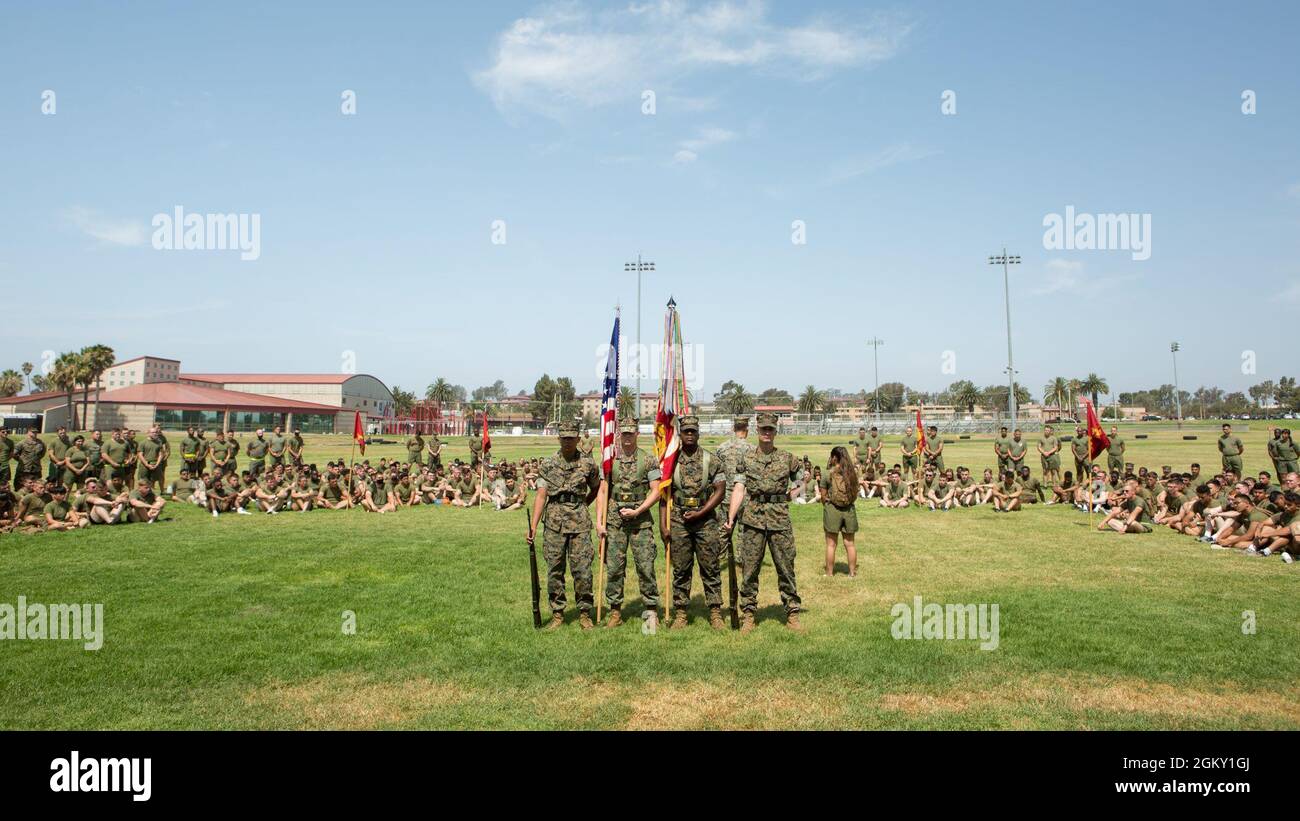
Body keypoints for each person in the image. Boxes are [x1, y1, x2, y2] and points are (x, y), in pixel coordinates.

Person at [722, 411, 804, 633]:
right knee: (749, 570)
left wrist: (791, 494)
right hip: (753, 520)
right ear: (757, 431)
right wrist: (730, 517)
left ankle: (793, 613)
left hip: (779, 520)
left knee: (786, 568)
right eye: (763, 429)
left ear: (775, 431)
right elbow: (739, 488)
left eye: (771, 429)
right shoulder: (746, 458)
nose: (767, 433)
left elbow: (801, 480)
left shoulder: (787, 458)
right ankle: (748, 614)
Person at [528, 420, 603, 631]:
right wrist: (533, 526)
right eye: (564, 438)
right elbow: (541, 496)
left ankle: (585, 613)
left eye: (572, 438)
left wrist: (583, 504)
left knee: (583, 570)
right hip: (554, 524)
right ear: (558, 439)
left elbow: (597, 489)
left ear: (578, 439)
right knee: (555, 570)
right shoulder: (548, 464)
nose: (568, 441)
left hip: (579, 524)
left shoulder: (588, 464)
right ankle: (558, 614)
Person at [661, 415, 727, 629]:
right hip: (678, 520)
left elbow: (720, 491)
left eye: (693, 431)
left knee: (710, 567)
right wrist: (663, 525)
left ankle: (715, 612)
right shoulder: (671, 460)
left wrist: (701, 512)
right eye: (686, 431)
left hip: (705, 520)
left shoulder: (711, 459)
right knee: (681, 568)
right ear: (680, 433)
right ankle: (681, 613)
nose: (689, 435)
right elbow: (664, 494)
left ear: (698, 434)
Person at [600, 419, 662, 628]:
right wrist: (600, 522)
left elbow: (656, 490)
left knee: (645, 567)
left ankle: (651, 611)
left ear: (637, 434)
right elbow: (603, 491)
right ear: (618, 435)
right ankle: (615, 611)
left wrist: (638, 510)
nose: (627, 438)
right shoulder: (611, 460)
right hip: (615, 523)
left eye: (630, 434)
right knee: (615, 568)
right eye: (623, 434)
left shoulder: (648, 460)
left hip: (640, 522)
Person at [820, 446, 860, 575]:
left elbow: (823, 496)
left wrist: (826, 503)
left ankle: (830, 573)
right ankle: (852, 573)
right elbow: (856, 493)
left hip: (832, 509)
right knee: (850, 544)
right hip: (849, 510)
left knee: (831, 545)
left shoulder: (827, 474)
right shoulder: (852, 473)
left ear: (834, 457)